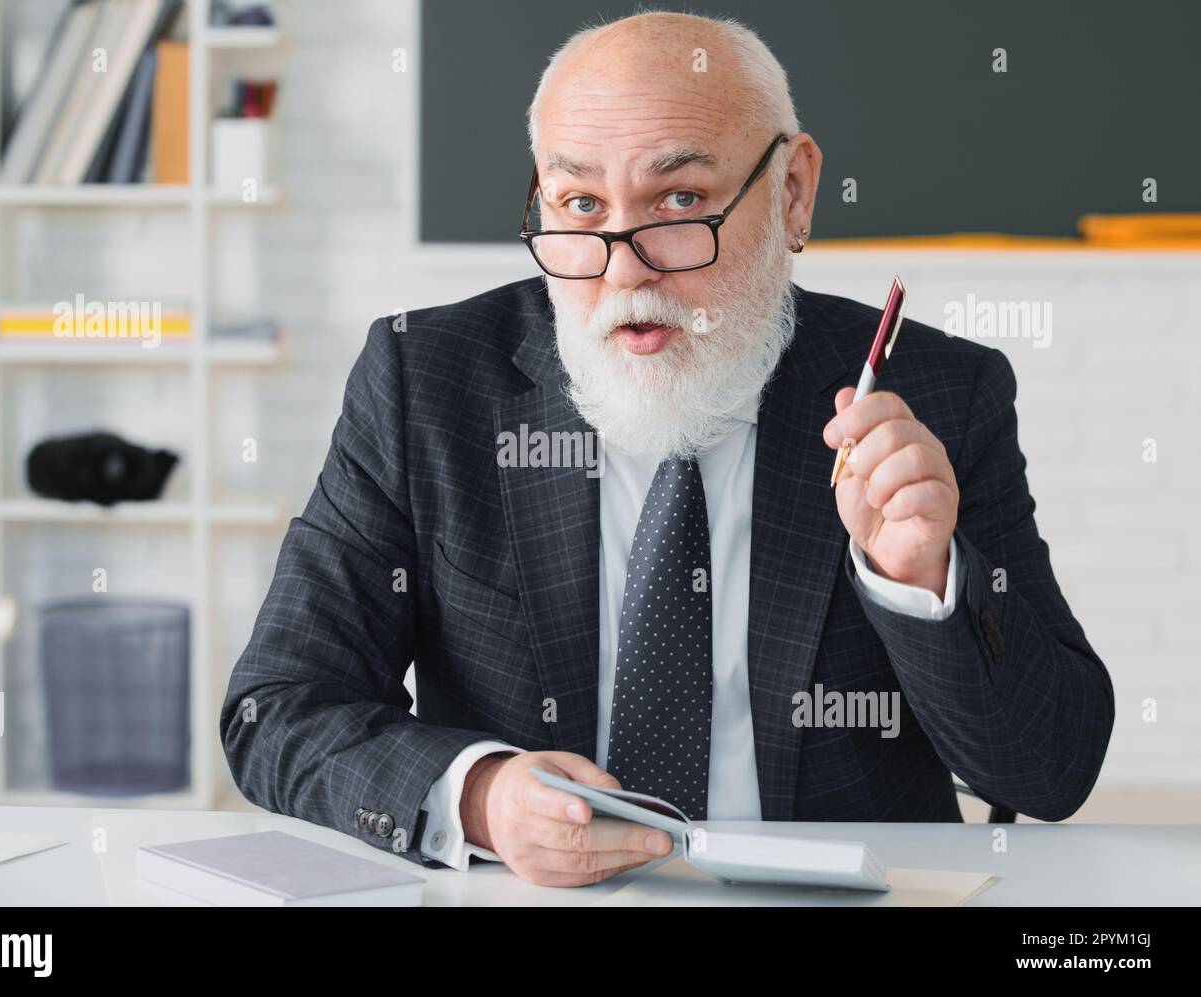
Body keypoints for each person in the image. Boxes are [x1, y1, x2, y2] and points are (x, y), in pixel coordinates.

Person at [221, 11, 1113, 887]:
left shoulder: (939, 395)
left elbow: (1050, 770)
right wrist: (482, 797)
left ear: (794, 194)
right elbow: (277, 710)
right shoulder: (423, 379)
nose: (623, 270)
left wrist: (919, 581)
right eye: (579, 205)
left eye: (680, 200)